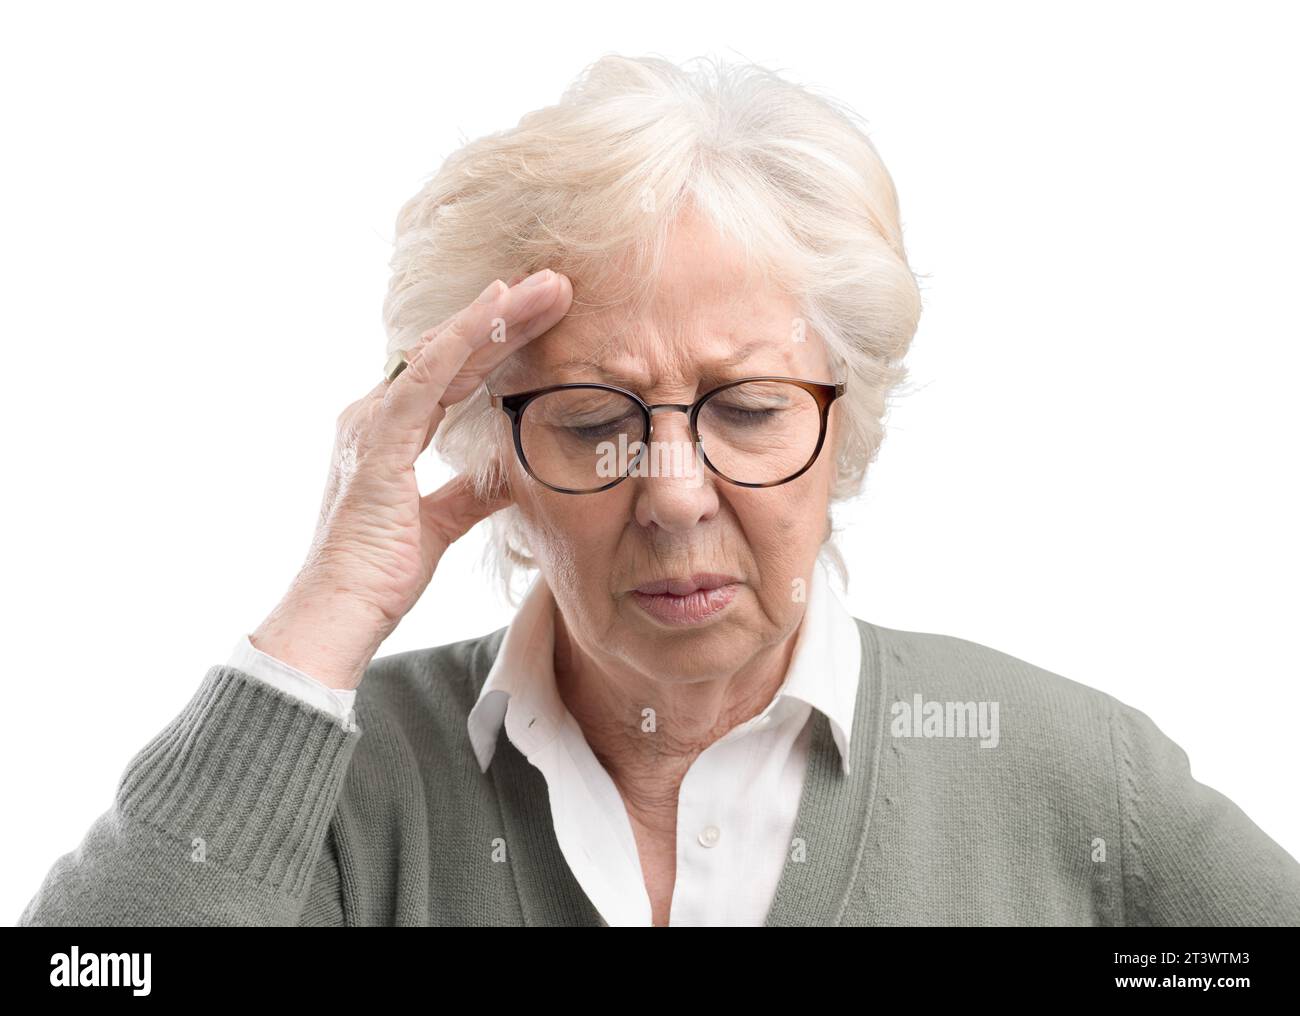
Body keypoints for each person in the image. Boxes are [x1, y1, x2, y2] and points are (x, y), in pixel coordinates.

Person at [19, 53, 1300, 927]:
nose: (674, 493)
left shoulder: (1070, 778)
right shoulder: (346, 798)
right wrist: (322, 620)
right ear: (493, 449)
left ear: (843, 423)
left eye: (745, 409)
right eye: (588, 421)